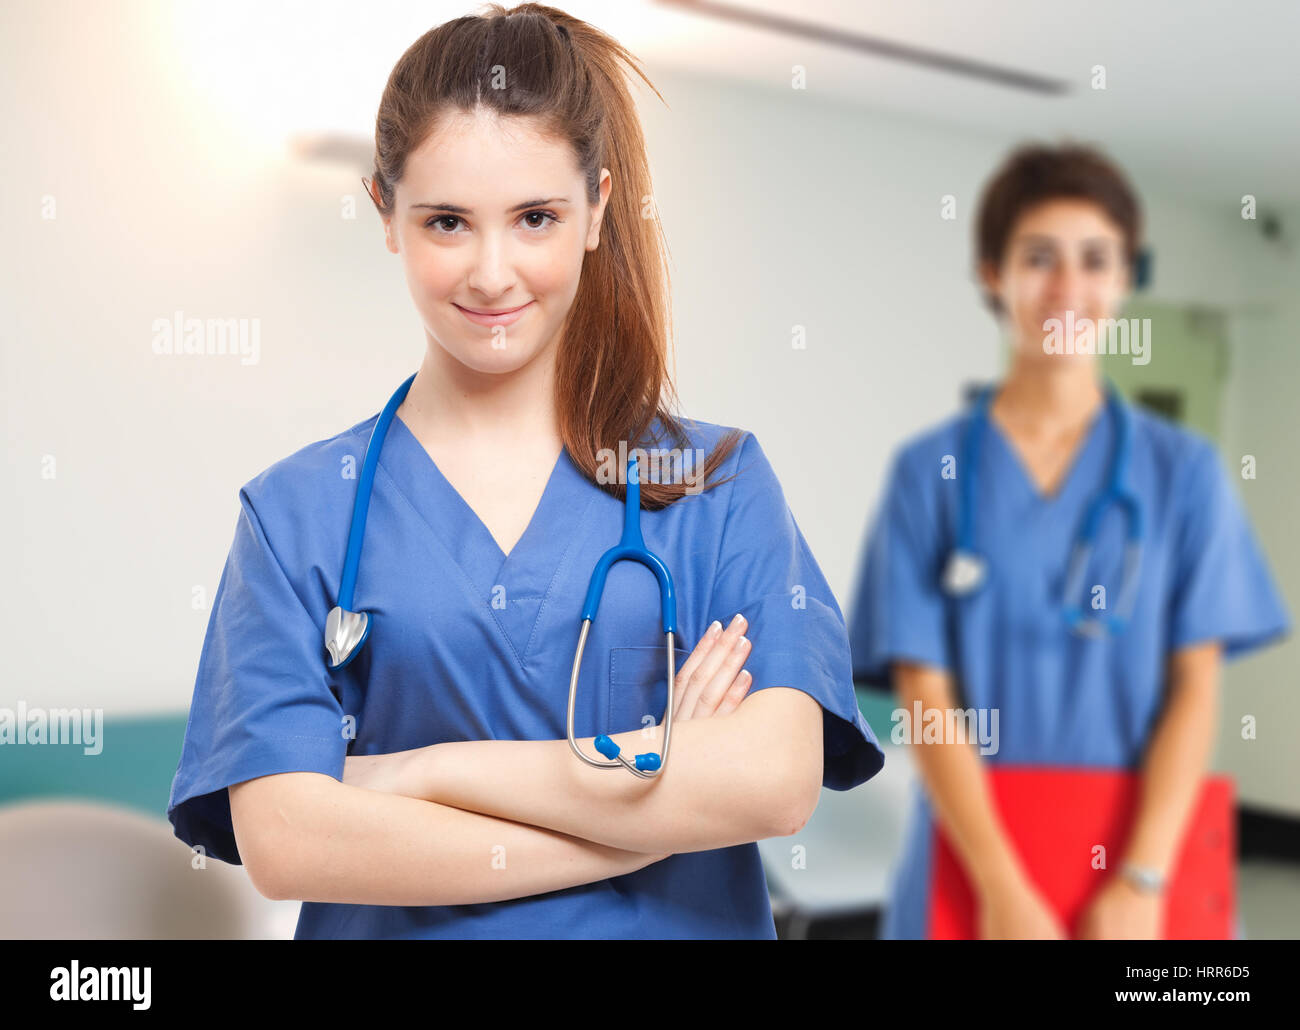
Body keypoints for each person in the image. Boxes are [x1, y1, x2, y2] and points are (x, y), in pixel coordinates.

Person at [166, 3, 883, 940]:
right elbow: (289, 841)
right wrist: (649, 816)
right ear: (386, 213)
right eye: (448, 222)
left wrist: (422, 772)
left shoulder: (713, 482)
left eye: (535, 217)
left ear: (597, 209)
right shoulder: (296, 516)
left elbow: (773, 783)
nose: (492, 272)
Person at [848, 142, 1289, 940]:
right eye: (1039, 257)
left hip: (1140, 854)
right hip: (973, 857)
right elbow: (925, 693)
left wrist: (1143, 878)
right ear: (993, 273)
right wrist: (1002, 891)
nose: (1067, 288)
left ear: (1125, 277)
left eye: (1095, 259)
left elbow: (1196, 689)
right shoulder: (930, 473)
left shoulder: (1184, 473)